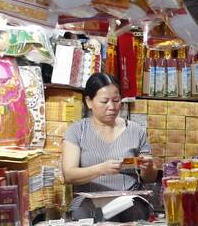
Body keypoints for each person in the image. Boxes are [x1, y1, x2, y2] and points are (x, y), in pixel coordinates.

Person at [61, 72, 159, 218]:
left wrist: (149, 169)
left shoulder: (136, 130)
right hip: (89, 202)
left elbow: (149, 178)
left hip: (128, 202)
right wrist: (102, 169)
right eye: (104, 101)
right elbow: (69, 174)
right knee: (84, 215)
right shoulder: (77, 131)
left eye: (116, 100)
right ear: (89, 102)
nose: (112, 107)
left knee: (134, 212)